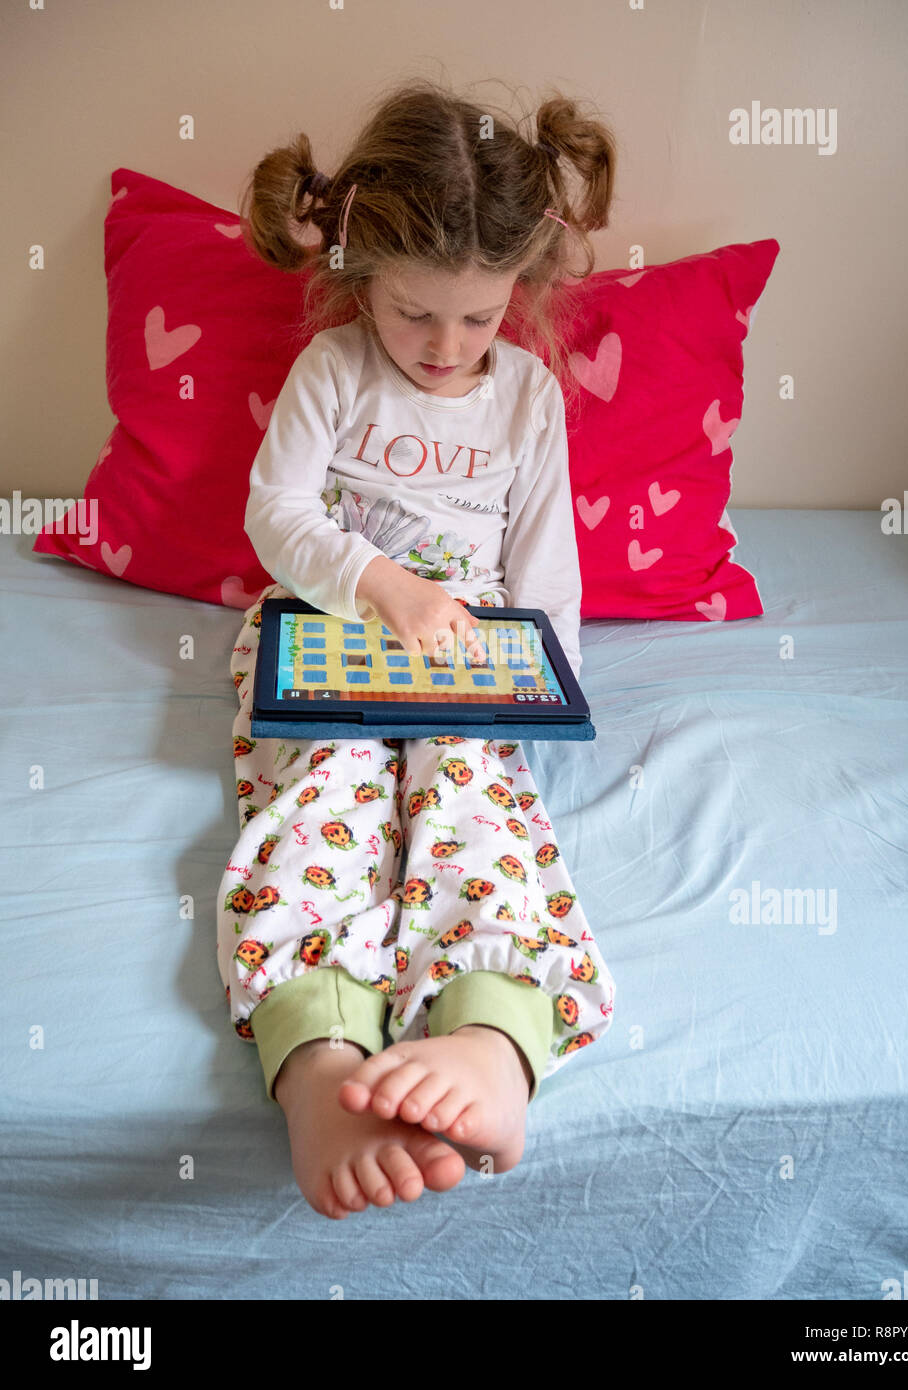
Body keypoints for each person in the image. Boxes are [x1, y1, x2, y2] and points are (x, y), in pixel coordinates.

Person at [218, 79, 617, 1220]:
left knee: (473, 801)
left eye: (479, 319)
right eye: (413, 314)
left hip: (473, 651)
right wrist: (380, 586)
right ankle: (319, 1056)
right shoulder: (335, 369)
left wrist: (547, 687)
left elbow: (546, 565)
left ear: (519, 294)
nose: (446, 348)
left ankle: (492, 1029)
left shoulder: (529, 397)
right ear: (358, 280)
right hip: (326, 632)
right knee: (317, 797)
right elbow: (276, 515)